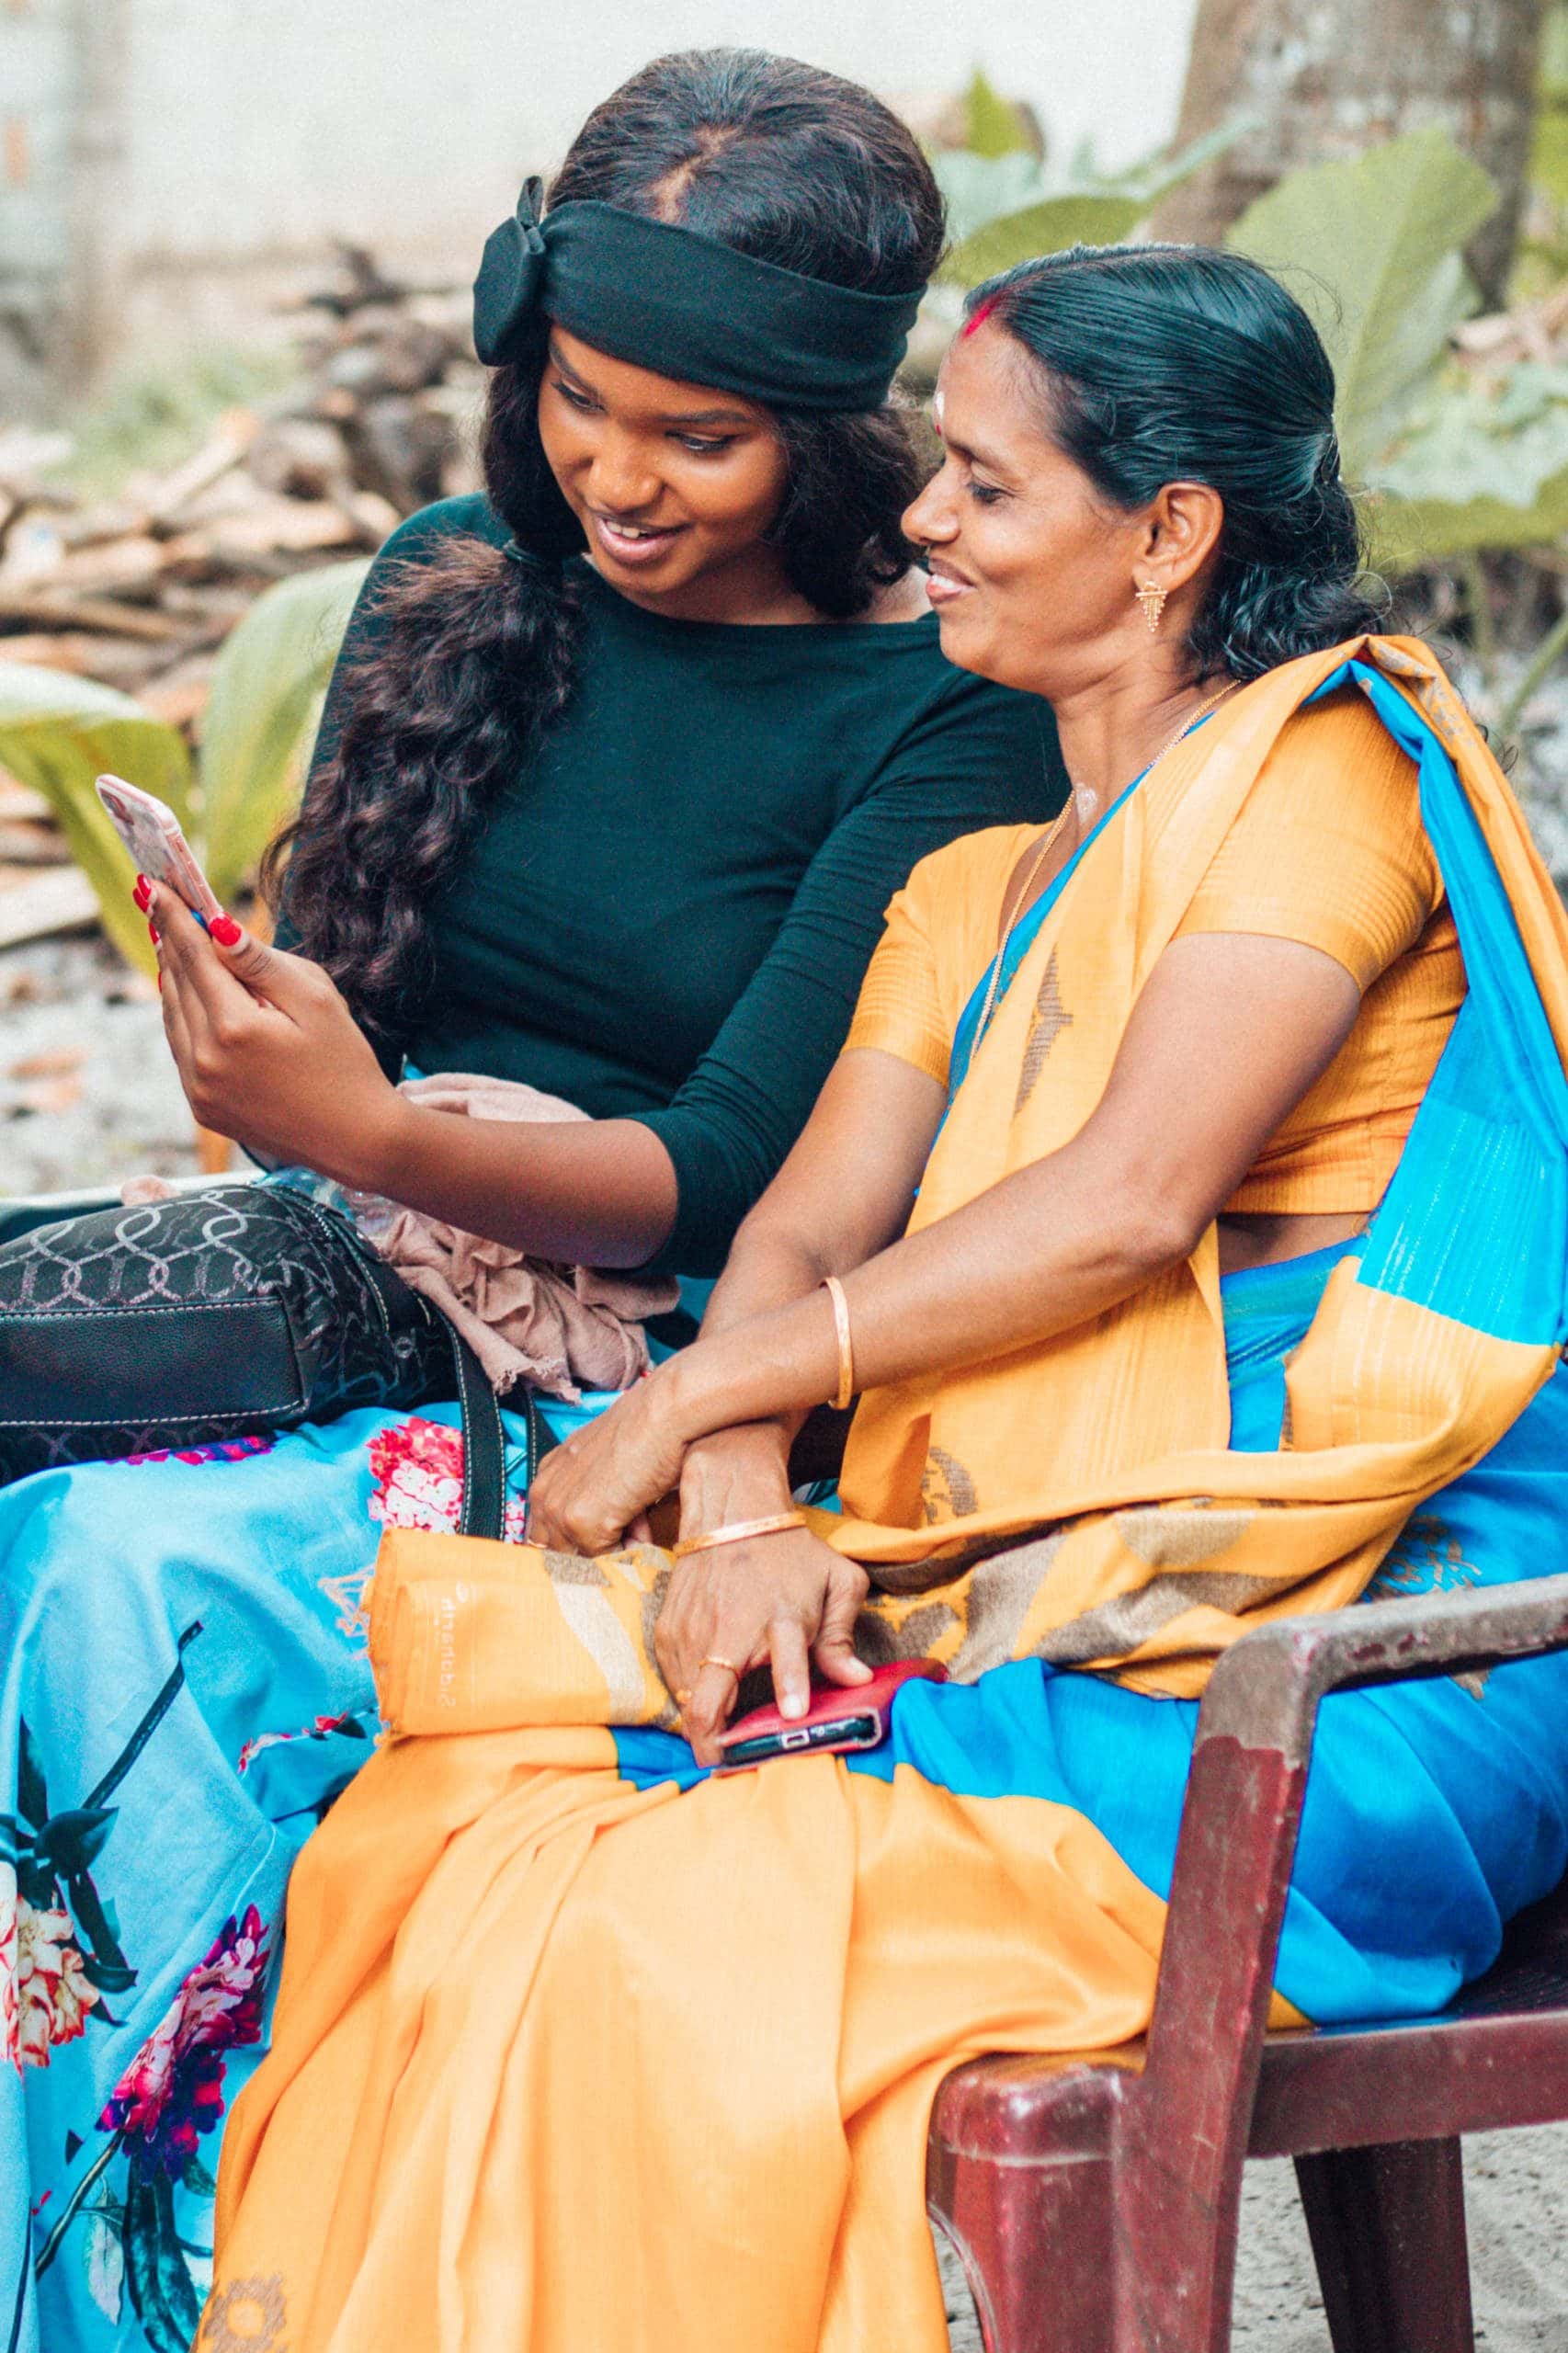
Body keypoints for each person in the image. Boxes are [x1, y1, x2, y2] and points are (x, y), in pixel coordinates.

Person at [203, 244, 1568, 2353]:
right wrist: (739, 1503)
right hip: (1034, 1580)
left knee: (657, 1938)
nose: (919, 516)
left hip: (1353, 1626)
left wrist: (670, 1411)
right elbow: (791, 1243)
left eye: (983, 483)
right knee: (450, 1841)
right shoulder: (972, 882)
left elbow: (1124, 1206)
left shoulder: (1325, 775)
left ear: (1170, 531)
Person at [0, 51, 1064, 2353]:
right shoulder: (465, 578)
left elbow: (731, 1167)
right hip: (354, 1251)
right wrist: (276, 1048)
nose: (619, 474)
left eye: (704, 435)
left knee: (69, 1469)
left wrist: (366, 1132)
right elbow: (351, 997)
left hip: (640, 1355)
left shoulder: (934, 708)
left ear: (838, 427)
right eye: (585, 401)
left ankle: (186, 2275)